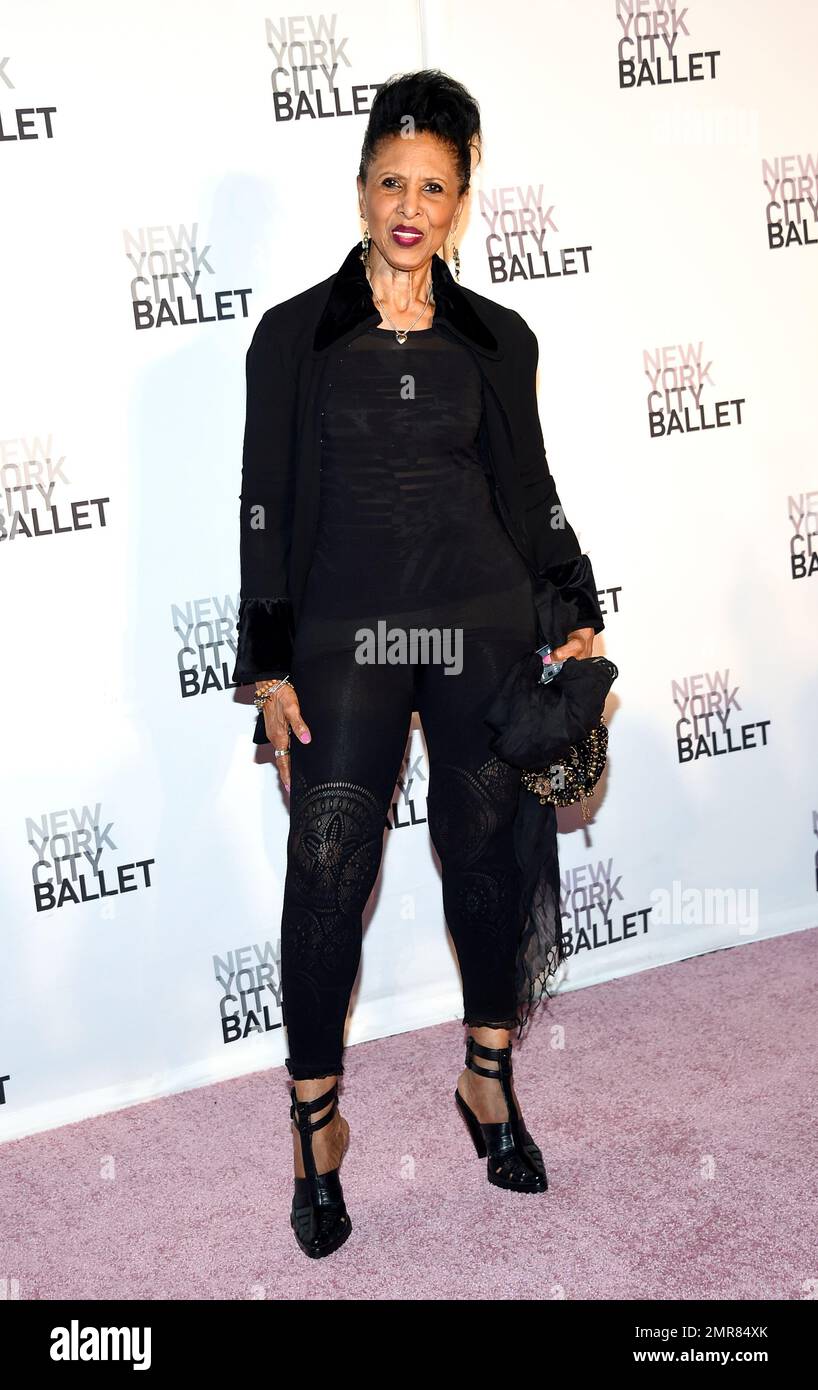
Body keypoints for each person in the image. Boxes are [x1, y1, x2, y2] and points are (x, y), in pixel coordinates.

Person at [231, 69, 605, 1259]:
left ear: (460, 197)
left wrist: (572, 610)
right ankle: (316, 1126)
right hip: (347, 629)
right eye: (390, 181)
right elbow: (264, 505)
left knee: (481, 844)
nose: (409, 205)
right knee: (331, 855)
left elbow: (529, 495)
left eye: (433, 186)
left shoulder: (497, 340)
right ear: (357, 188)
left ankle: (487, 1079)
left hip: (478, 617)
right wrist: (269, 660)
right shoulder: (293, 337)